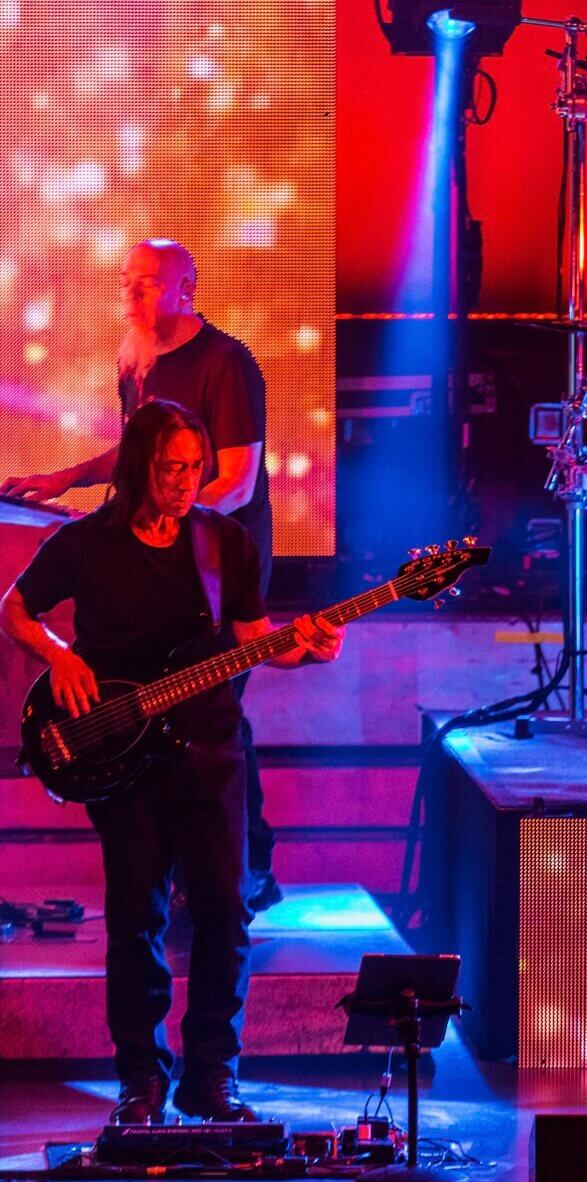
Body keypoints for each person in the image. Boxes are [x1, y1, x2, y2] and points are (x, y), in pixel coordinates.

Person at [0, 400, 340, 1125]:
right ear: (137, 467)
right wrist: (59, 656)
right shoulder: (86, 543)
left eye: (195, 468)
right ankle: (141, 1084)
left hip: (212, 753)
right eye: (170, 469)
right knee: (136, 920)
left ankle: (212, 1079)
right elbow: (14, 608)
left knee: (226, 913)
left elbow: (255, 639)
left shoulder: (224, 542)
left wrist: (306, 651)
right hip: (122, 755)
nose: (186, 482)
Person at [2, 239, 281, 914]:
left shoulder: (225, 361)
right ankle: (181, 872)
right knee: (161, 711)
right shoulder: (137, 359)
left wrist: (163, 523)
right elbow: (137, 454)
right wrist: (65, 478)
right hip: (157, 556)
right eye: (126, 281)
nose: (131, 294)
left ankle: (243, 871)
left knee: (215, 706)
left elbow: (237, 482)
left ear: (186, 289)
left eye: (148, 283)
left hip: (213, 567)